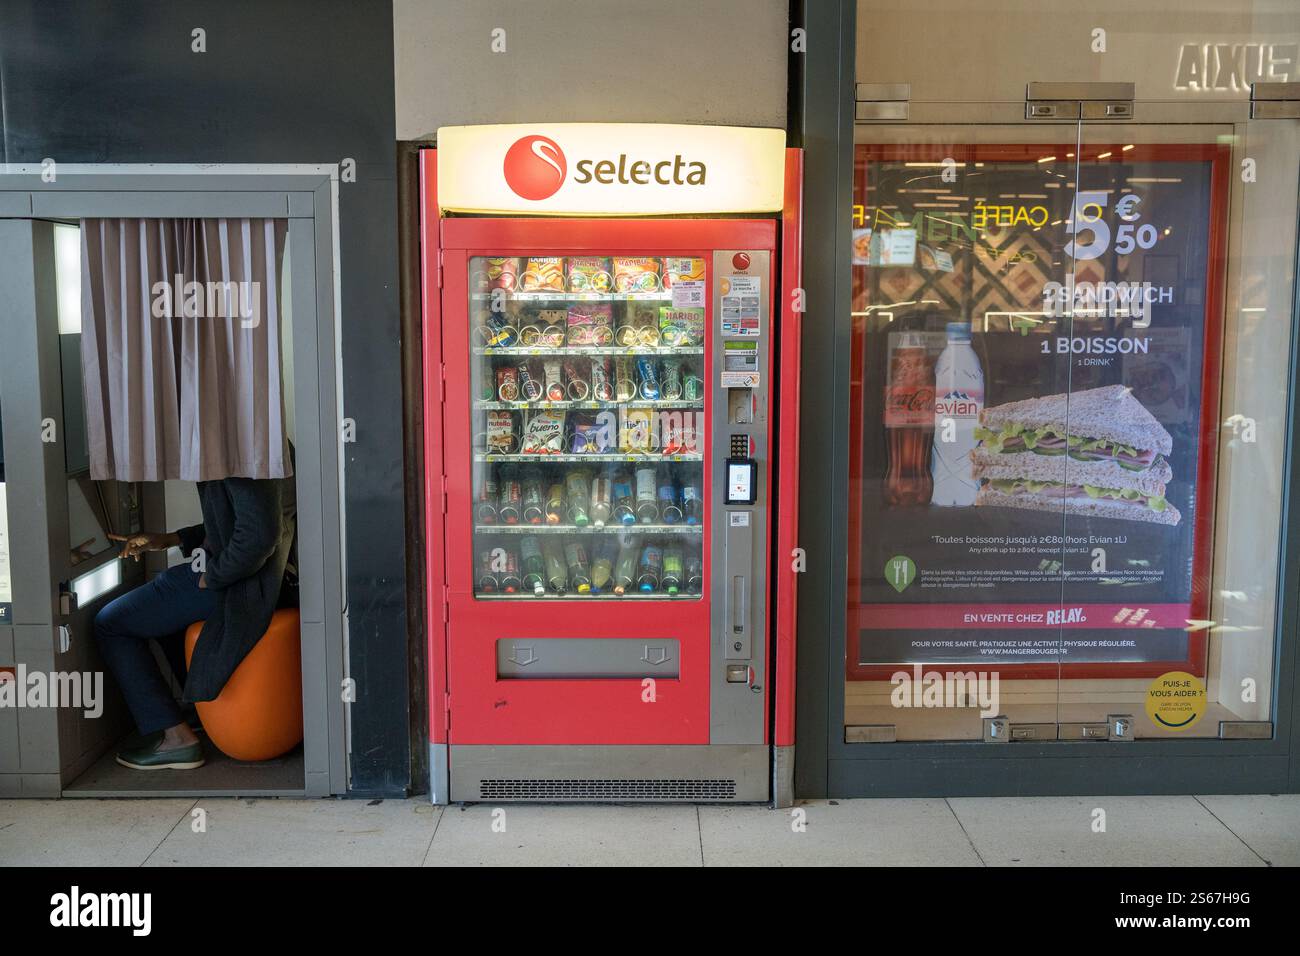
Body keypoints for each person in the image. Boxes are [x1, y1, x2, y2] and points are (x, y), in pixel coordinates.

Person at [96, 475, 296, 770]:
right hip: (259, 580)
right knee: (159, 612)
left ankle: (177, 739)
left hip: (240, 586)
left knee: (111, 622)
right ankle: (197, 711)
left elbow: (259, 536)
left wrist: (212, 577)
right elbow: (244, 518)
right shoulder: (261, 450)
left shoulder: (239, 452)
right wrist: (173, 539)